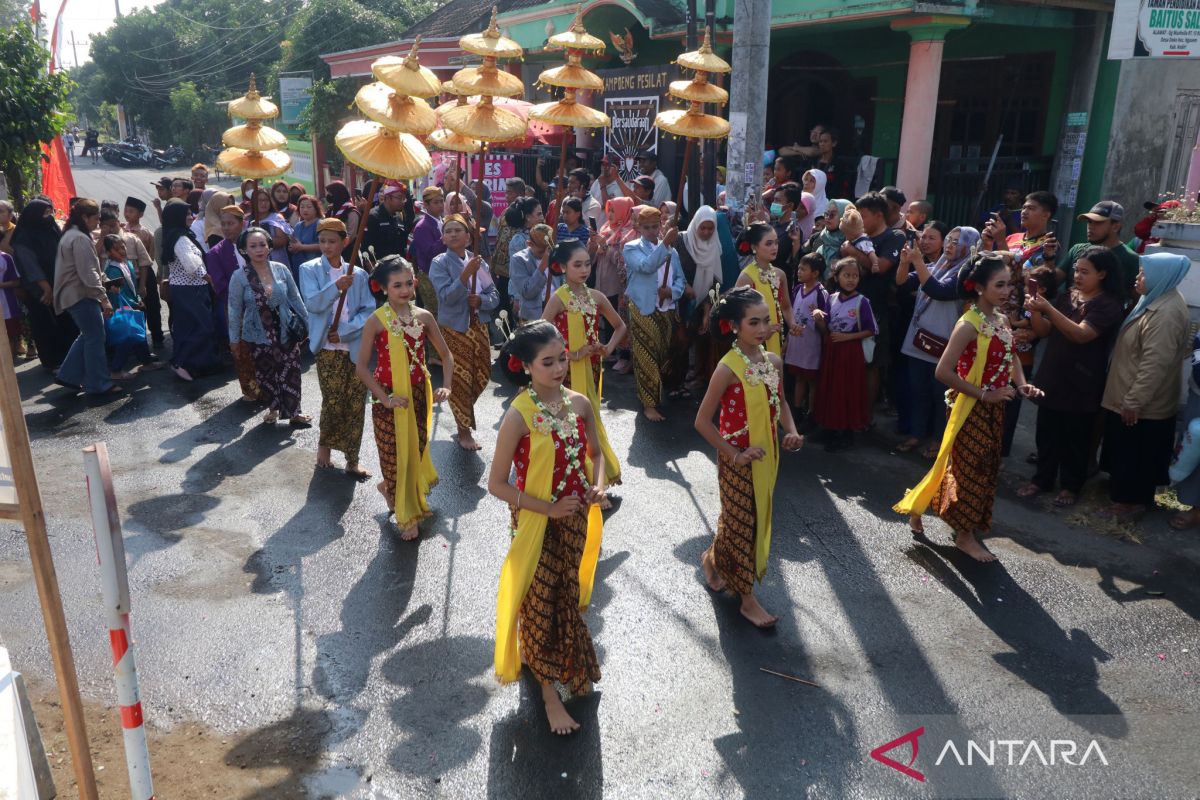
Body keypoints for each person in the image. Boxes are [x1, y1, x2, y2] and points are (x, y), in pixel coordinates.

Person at [488, 320, 606, 735]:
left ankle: (569, 664)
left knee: (566, 594)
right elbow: (496, 484)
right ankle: (547, 692)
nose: (559, 369)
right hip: (536, 522)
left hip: (574, 518)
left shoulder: (580, 405)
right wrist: (548, 509)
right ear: (525, 367)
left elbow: (598, 455)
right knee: (539, 599)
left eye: (562, 359)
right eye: (548, 362)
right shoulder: (518, 415)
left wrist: (597, 486)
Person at [895, 252, 1044, 563]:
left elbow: (1011, 356)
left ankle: (919, 506)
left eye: (1008, 285)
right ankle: (964, 536)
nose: (1006, 292)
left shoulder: (1001, 320)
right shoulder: (969, 324)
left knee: (977, 469)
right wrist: (983, 394)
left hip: (994, 408)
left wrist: (1021, 384)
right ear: (979, 287)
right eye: (999, 285)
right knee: (972, 471)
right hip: (970, 407)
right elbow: (943, 372)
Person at [694, 285, 804, 627]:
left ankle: (712, 560)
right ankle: (747, 599)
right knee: (743, 524)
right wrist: (735, 454)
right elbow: (701, 421)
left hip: (768, 455)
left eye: (766, 321)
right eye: (753, 323)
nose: (762, 328)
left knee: (750, 518)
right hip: (737, 459)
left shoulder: (773, 361)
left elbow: (781, 402)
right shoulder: (727, 367)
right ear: (734, 326)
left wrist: (792, 430)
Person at [1018, 246, 1124, 506]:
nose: (1077, 276)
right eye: (1076, 270)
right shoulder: (1069, 296)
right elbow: (1044, 331)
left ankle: (1070, 486)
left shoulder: (1108, 304)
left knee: (1076, 439)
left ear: (1102, 274)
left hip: (1082, 382)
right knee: (1046, 433)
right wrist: (1034, 311)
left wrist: (1048, 309)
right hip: (1053, 376)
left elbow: (1081, 334)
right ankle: (1042, 479)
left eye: (1084, 272)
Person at [356, 256, 453, 540]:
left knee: (415, 450)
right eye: (396, 285)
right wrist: (384, 400)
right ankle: (405, 514)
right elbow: (362, 367)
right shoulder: (376, 321)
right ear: (383, 288)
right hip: (389, 397)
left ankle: (391, 489)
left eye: (408, 283)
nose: (404, 289)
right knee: (394, 455)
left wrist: (445, 386)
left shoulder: (424, 316)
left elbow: (445, 356)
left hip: (419, 395)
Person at [1099, 253, 1192, 519]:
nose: (1137, 278)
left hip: (1142, 402)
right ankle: (1127, 497)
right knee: (1128, 450)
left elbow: (1155, 365)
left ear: (1160, 277)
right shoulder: (1155, 299)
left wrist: (1134, 401)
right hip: (1132, 394)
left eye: (1143, 274)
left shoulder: (1165, 314)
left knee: (1136, 453)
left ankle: (1130, 503)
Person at [541, 238, 626, 493]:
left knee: (591, 420)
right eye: (577, 265)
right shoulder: (559, 298)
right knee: (572, 424)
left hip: (592, 369)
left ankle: (596, 479)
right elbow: (541, 337)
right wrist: (571, 354)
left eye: (587, 264)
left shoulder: (597, 297)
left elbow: (620, 326)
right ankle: (580, 479)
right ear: (562, 267)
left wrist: (608, 348)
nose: (584, 270)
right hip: (564, 373)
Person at [301, 218, 378, 478]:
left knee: (356, 403)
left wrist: (344, 331)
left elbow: (368, 310)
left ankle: (352, 459)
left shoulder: (359, 273)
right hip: (326, 347)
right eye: (322, 241)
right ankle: (324, 447)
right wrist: (335, 287)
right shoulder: (308, 269)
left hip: (354, 346)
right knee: (333, 401)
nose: (326, 246)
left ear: (345, 242)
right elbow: (312, 304)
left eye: (332, 241)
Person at [896, 226, 980, 458]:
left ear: (969, 246)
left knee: (940, 395)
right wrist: (905, 262)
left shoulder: (965, 276)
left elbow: (938, 290)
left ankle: (938, 439)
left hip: (944, 346)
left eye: (956, 241)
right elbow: (903, 285)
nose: (950, 246)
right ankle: (917, 433)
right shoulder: (936, 266)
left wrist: (918, 262)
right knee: (918, 390)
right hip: (918, 341)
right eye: (949, 241)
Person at [228, 227, 312, 427]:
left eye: (262, 244)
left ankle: (294, 413)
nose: (259, 249)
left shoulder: (281, 269)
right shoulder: (239, 277)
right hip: (258, 335)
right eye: (253, 246)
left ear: (269, 246)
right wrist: (234, 340)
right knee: (266, 375)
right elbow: (234, 310)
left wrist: (307, 324)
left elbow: (295, 297)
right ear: (244, 250)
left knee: (291, 372)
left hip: (286, 331)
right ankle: (273, 409)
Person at [430, 214, 500, 450]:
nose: (452, 234)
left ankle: (463, 412)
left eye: (457, 230)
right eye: (447, 231)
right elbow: (446, 297)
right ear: (443, 237)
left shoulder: (479, 263)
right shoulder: (439, 263)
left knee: (482, 373)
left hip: (478, 325)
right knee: (461, 379)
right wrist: (464, 276)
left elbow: (494, 295)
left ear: (468, 237)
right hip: (455, 328)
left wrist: (480, 300)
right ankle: (463, 430)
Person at [843, 192, 905, 422]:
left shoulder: (895, 237)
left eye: (863, 215)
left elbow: (883, 266)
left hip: (875, 310)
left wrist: (852, 252)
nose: (858, 220)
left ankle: (865, 417)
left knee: (872, 365)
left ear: (879, 215)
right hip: (847, 309)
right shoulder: (857, 238)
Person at [53, 199, 122, 396]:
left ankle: (68, 376)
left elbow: (91, 270)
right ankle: (99, 383)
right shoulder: (80, 238)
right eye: (95, 219)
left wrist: (106, 283)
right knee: (95, 337)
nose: (98, 223)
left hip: (75, 293)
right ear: (84, 217)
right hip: (80, 294)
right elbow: (88, 272)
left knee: (89, 335)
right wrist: (104, 298)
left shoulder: (72, 235)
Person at [624, 206, 685, 421]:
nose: (651, 231)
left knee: (661, 356)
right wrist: (666, 244)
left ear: (660, 226)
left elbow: (680, 280)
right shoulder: (631, 248)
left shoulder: (672, 251)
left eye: (654, 226)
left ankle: (653, 393)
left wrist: (671, 291)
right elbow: (647, 267)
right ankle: (649, 405)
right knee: (646, 357)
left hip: (666, 309)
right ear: (638, 227)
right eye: (646, 227)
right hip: (643, 309)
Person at [811, 257, 877, 450]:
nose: (851, 279)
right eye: (846, 275)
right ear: (837, 276)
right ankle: (828, 428)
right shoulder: (831, 299)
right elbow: (825, 330)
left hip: (850, 352)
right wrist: (818, 319)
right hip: (832, 350)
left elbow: (870, 330)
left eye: (855, 276)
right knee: (829, 388)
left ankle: (846, 433)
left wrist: (846, 338)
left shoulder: (862, 302)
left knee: (847, 390)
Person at [11, 199, 77, 370]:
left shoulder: (52, 229)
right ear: (34, 216)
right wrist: (46, 288)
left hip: (60, 285)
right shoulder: (23, 238)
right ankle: (52, 361)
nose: (49, 217)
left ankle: (71, 359)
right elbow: (29, 265)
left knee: (66, 322)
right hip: (39, 290)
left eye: (51, 212)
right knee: (46, 325)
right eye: (45, 213)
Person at [160, 201, 220, 382]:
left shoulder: (178, 235)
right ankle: (183, 363)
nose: (191, 217)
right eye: (186, 214)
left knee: (190, 327)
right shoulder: (180, 238)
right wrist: (207, 277)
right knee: (199, 327)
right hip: (189, 289)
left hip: (187, 289)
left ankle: (193, 364)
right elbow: (191, 264)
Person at [204, 204, 257, 401]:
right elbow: (220, 285)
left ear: (242, 224)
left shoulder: (254, 243)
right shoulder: (214, 253)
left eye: (231, 223)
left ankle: (267, 386)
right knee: (241, 349)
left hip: (260, 304)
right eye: (223, 224)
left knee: (262, 347)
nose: (226, 228)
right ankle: (250, 390)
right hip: (235, 307)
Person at [100, 234, 161, 378]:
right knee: (126, 339)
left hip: (132, 304)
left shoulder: (127, 263)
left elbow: (132, 285)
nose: (122, 250)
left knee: (138, 334)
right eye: (117, 249)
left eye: (123, 247)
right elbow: (116, 295)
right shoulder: (112, 270)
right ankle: (116, 370)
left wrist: (138, 298)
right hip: (123, 308)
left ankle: (146, 362)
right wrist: (134, 303)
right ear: (109, 253)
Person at [735, 223, 799, 357]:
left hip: (775, 338)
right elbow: (738, 317)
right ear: (754, 247)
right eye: (768, 244)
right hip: (753, 342)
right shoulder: (746, 277)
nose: (774, 247)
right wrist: (762, 331)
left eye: (776, 243)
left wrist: (793, 324)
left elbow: (786, 307)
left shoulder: (780, 275)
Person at [1059, 201, 1141, 301]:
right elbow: (1051, 283)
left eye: (1098, 222)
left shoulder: (1131, 259)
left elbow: (1137, 300)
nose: (1090, 226)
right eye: (1089, 221)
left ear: (1115, 226)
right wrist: (1048, 258)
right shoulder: (1077, 249)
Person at [594, 196, 637, 373]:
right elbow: (596, 256)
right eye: (609, 210)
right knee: (605, 315)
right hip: (602, 280)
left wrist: (606, 247)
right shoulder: (606, 228)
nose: (610, 214)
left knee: (617, 319)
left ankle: (623, 355)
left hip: (617, 283)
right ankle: (610, 351)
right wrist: (596, 245)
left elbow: (621, 260)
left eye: (614, 210)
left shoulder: (628, 232)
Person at [784, 252, 829, 420]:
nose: (799, 271)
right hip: (797, 344)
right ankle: (796, 411)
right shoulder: (797, 289)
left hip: (812, 345)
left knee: (812, 381)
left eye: (803, 269)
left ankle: (811, 413)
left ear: (815, 273)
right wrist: (787, 341)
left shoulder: (820, 293)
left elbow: (825, 325)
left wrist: (819, 320)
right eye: (799, 268)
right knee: (799, 378)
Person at [508, 224, 559, 322]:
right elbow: (527, 292)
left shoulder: (556, 255)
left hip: (556, 310)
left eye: (548, 251)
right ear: (529, 244)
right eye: (541, 252)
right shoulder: (518, 259)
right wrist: (542, 266)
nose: (545, 255)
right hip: (533, 316)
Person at [409, 186, 447, 314]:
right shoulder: (422, 227)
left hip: (446, 272)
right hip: (430, 275)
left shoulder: (444, 221)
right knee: (436, 313)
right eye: (436, 202)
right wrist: (445, 238)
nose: (441, 205)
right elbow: (430, 253)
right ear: (426, 204)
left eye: (442, 201)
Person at [247, 188, 294, 273]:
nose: (263, 203)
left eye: (266, 200)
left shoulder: (276, 218)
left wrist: (261, 239)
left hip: (277, 262)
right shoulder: (248, 220)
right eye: (260, 200)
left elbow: (282, 241)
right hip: (256, 266)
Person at [364, 181, 410, 261]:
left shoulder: (399, 218)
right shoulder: (373, 217)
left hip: (397, 268)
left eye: (404, 198)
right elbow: (367, 252)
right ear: (388, 197)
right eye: (399, 198)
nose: (403, 201)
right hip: (381, 270)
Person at [289, 194, 323, 274]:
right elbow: (294, 243)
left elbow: (322, 245)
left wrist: (302, 247)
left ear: (316, 209)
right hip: (298, 265)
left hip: (314, 267)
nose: (305, 210)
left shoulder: (320, 224)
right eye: (302, 207)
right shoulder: (298, 225)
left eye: (309, 207)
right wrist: (291, 247)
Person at [1, 248, 22, 357]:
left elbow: (16, 281)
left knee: (11, 334)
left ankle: (10, 359)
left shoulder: (5, 257)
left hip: (6, 304)